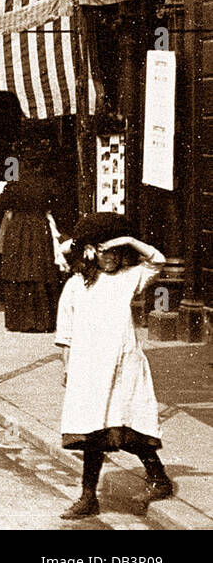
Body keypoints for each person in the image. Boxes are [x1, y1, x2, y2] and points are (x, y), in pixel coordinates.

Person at [56, 213, 173, 520]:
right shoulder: (75, 286)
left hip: (123, 365)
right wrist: (68, 369)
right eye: (104, 250)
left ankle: (159, 478)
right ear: (90, 252)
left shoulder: (128, 279)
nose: (110, 257)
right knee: (93, 433)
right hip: (89, 369)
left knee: (130, 428)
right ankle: (87, 496)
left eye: (116, 251)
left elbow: (157, 261)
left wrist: (129, 239)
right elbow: (65, 333)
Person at [0, 150, 62, 332]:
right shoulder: (48, 184)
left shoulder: (15, 185)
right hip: (40, 228)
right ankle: (42, 321)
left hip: (18, 229)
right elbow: (56, 204)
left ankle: (19, 321)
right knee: (40, 271)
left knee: (17, 271)